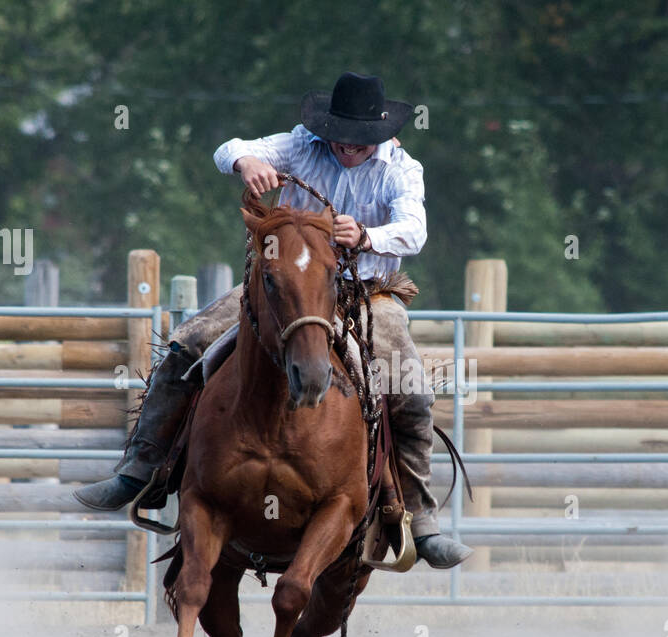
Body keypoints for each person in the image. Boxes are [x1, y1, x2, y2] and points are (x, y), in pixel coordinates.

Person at [74, 72, 473, 569]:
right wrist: (248, 162)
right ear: (327, 127)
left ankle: (421, 517)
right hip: (285, 286)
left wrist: (368, 236)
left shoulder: (401, 169)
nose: (348, 147)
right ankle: (140, 468)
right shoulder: (302, 145)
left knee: (410, 387)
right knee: (186, 343)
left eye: (359, 140)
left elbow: (414, 228)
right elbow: (230, 148)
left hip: (367, 292)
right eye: (340, 136)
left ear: (380, 134)